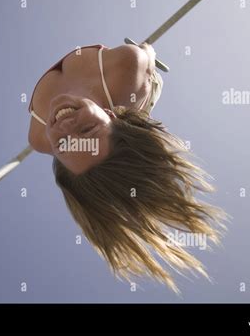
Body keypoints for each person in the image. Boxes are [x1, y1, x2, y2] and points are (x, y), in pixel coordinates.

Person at [27, 42, 229, 293]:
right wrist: (147, 53)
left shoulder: (38, 136)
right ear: (110, 116)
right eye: (87, 130)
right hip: (133, 86)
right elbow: (146, 54)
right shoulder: (127, 68)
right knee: (142, 80)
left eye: (65, 144)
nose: (66, 127)